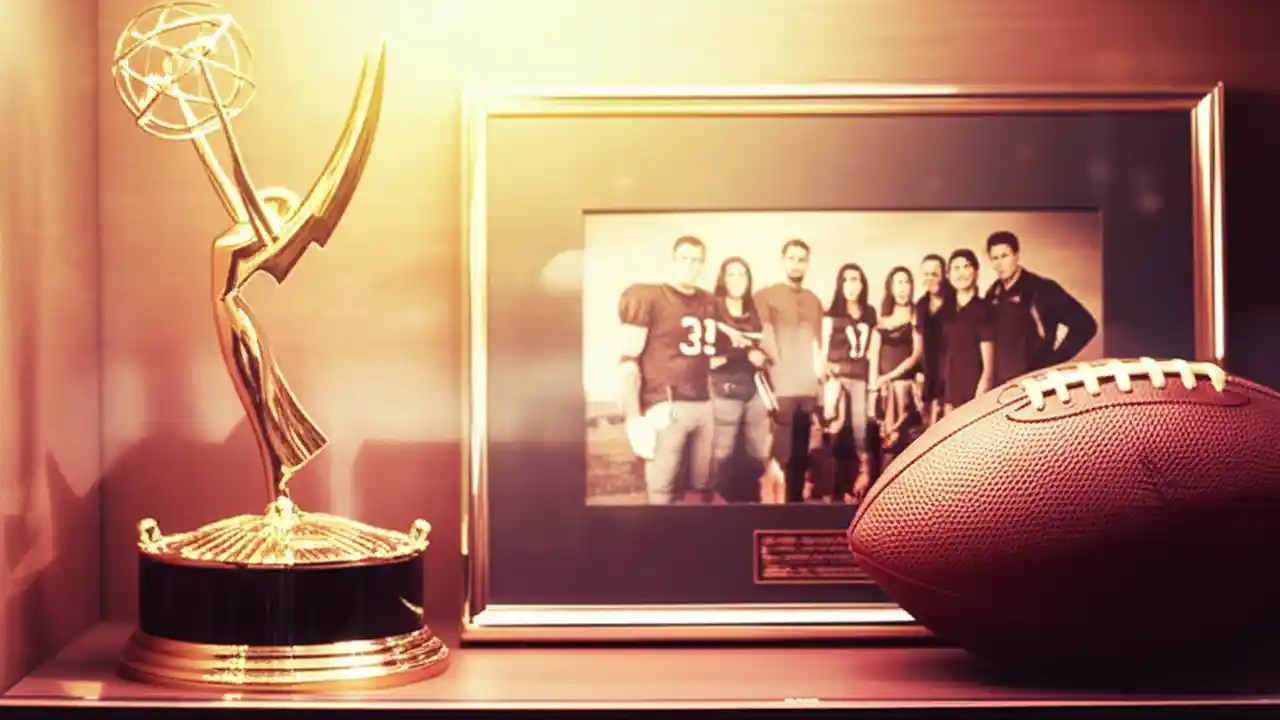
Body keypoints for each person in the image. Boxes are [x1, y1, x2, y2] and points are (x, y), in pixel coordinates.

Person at [617, 235, 718, 504]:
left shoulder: (709, 301)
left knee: (700, 489)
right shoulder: (648, 296)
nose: (691, 265)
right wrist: (633, 417)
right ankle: (659, 543)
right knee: (661, 491)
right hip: (666, 404)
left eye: (697, 259)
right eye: (684, 258)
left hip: (704, 404)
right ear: (674, 260)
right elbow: (628, 362)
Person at [754, 239, 825, 504]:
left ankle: (794, 513)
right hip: (779, 389)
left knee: (799, 459)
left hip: (806, 391)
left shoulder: (814, 301)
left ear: (807, 263)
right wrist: (774, 380)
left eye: (801, 259)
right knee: (775, 455)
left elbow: (818, 346)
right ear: (783, 260)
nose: (796, 264)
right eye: (792, 258)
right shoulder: (765, 295)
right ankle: (771, 517)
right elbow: (765, 338)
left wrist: (819, 388)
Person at [985, 230, 1098, 386]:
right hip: (1000, 389)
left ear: (1017, 256)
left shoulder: (1043, 289)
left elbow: (1086, 325)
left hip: (1036, 384)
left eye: (1005, 256)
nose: (999, 264)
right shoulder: (992, 294)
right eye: (994, 258)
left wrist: (1054, 362)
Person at [708, 257, 771, 503]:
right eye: (731, 274)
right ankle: (716, 508)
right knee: (722, 454)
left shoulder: (753, 312)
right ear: (723, 279)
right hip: (724, 389)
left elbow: (763, 350)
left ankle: (750, 508)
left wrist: (762, 356)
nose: (737, 280)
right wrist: (744, 352)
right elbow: (711, 359)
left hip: (754, 390)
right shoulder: (713, 310)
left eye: (742, 274)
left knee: (756, 454)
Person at [819, 263, 877, 503]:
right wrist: (827, 379)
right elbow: (822, 354)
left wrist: (873, 389)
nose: (852, 285)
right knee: (836, 434)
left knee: (861, 434)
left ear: (863, 284)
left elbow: (873, 353)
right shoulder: (831, 315)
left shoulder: (870, 313)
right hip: (837, 379)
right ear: (840, 284)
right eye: (847, 280)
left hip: (860, 379)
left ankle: (860, 485)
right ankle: (834, 490)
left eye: (856, 280)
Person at [868, 267, 922, 463]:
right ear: (890, 287)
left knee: (908, 443)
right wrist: (873, 387)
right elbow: (873, 355)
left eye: (906, 282)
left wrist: (890, 376)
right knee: (885, 444)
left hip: (906, 388)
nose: (902, 288)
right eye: (898, 282)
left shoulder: (916, 316)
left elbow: (916, 355)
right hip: (883, 390)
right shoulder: (881, 321)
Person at [938, 249, 995, 414]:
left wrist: (980, 399)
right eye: (956, 268)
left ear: (976, 272)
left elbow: (989, 368)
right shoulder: (944, 312)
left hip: (976, 396)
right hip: (950, 397)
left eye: (966, 267)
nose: (961, 273)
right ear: (948, 275)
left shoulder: (985, 309)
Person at [905, 254, 951, 427]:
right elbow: (919, 347)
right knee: (928, 427)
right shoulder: (921, 305)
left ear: (944, 275)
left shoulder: (954, 302)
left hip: (950, 373)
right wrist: (918, 373)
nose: (930, 278)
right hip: (929, 373)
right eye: (926, 274)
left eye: (935, 274)